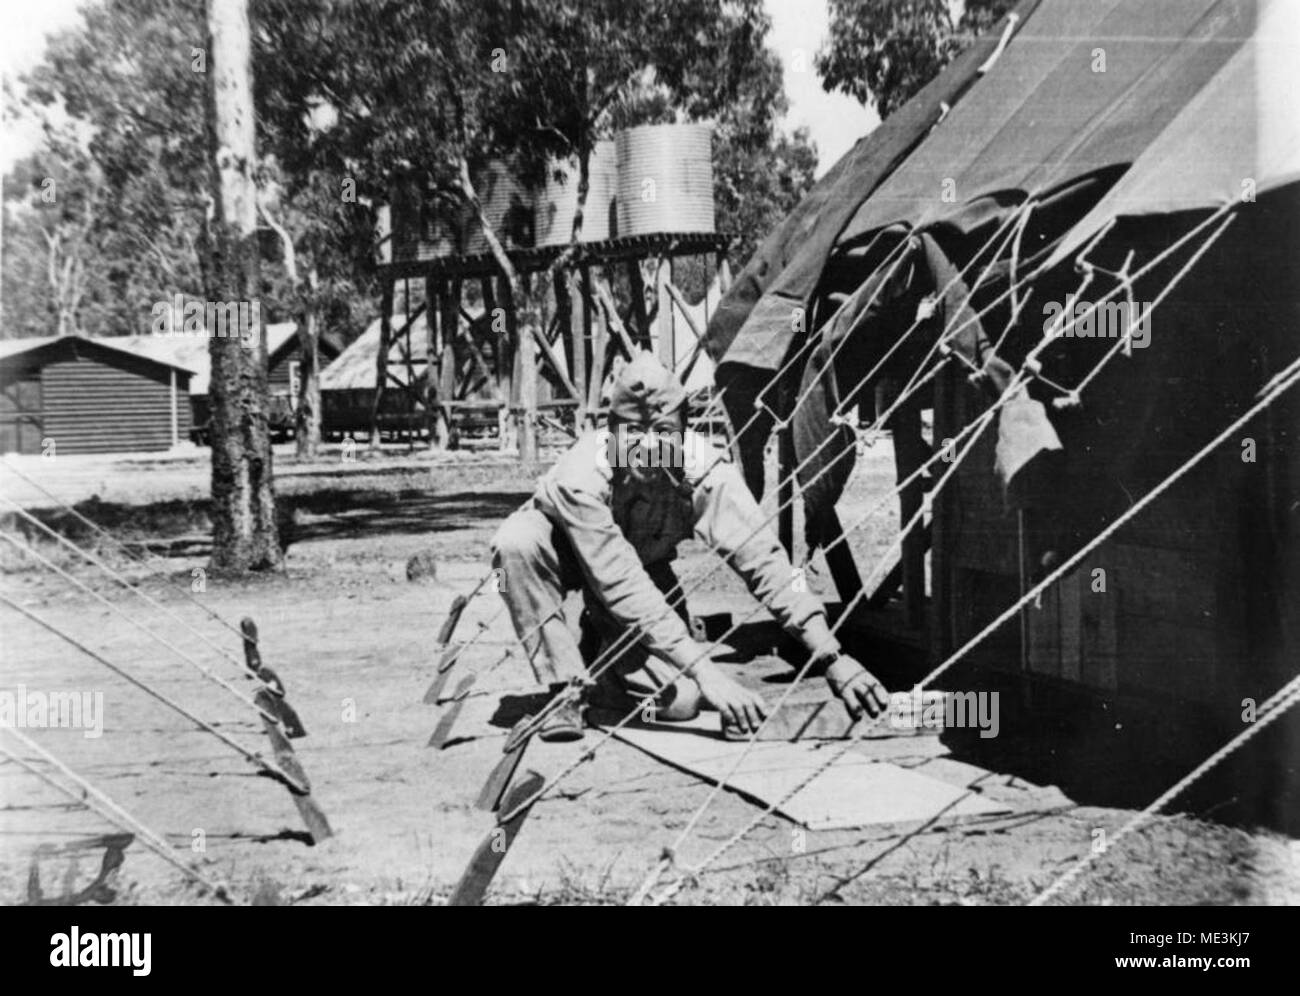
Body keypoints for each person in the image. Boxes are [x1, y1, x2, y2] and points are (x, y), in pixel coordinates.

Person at [491, 351, 888, 741]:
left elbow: (767, 561)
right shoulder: (581, 475)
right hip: (581, 568)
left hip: (644, 579)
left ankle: (601, 655)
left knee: (680, 703)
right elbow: (619, 583)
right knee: (515, 545)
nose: (647, 447)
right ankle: (564, 687)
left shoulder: (706, 470)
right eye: (632, 433)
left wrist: (832, 655)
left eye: (663, 434)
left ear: (683, 430)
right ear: (611, 430)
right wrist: (707, 670)